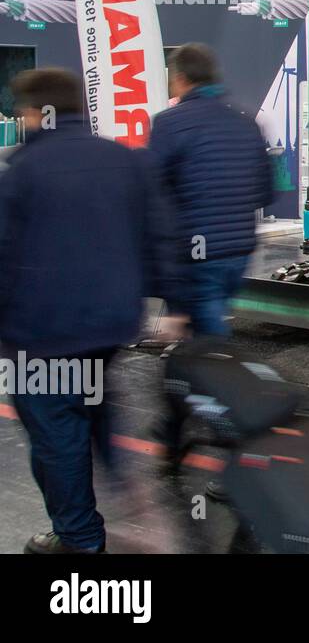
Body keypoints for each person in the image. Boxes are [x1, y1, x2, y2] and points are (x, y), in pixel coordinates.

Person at [0, 68, 172, 553]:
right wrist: (172, 303)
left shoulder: (23, 172)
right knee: (88, 403)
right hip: (111, 326)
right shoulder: (124, 160)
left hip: (44, 333)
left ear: (35, 113)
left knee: (56, 435)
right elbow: (158, 236)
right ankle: (118, 476)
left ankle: (79, 539)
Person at [149, 44, 273, 339]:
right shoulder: (246, 123)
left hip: (196, 252)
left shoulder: (169, 123)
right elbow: (265, 192)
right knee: (202, 324)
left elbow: (153, 191)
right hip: (239, 251)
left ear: (179, 79)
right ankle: (197, 375)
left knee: (210, 337)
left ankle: (226, 378)